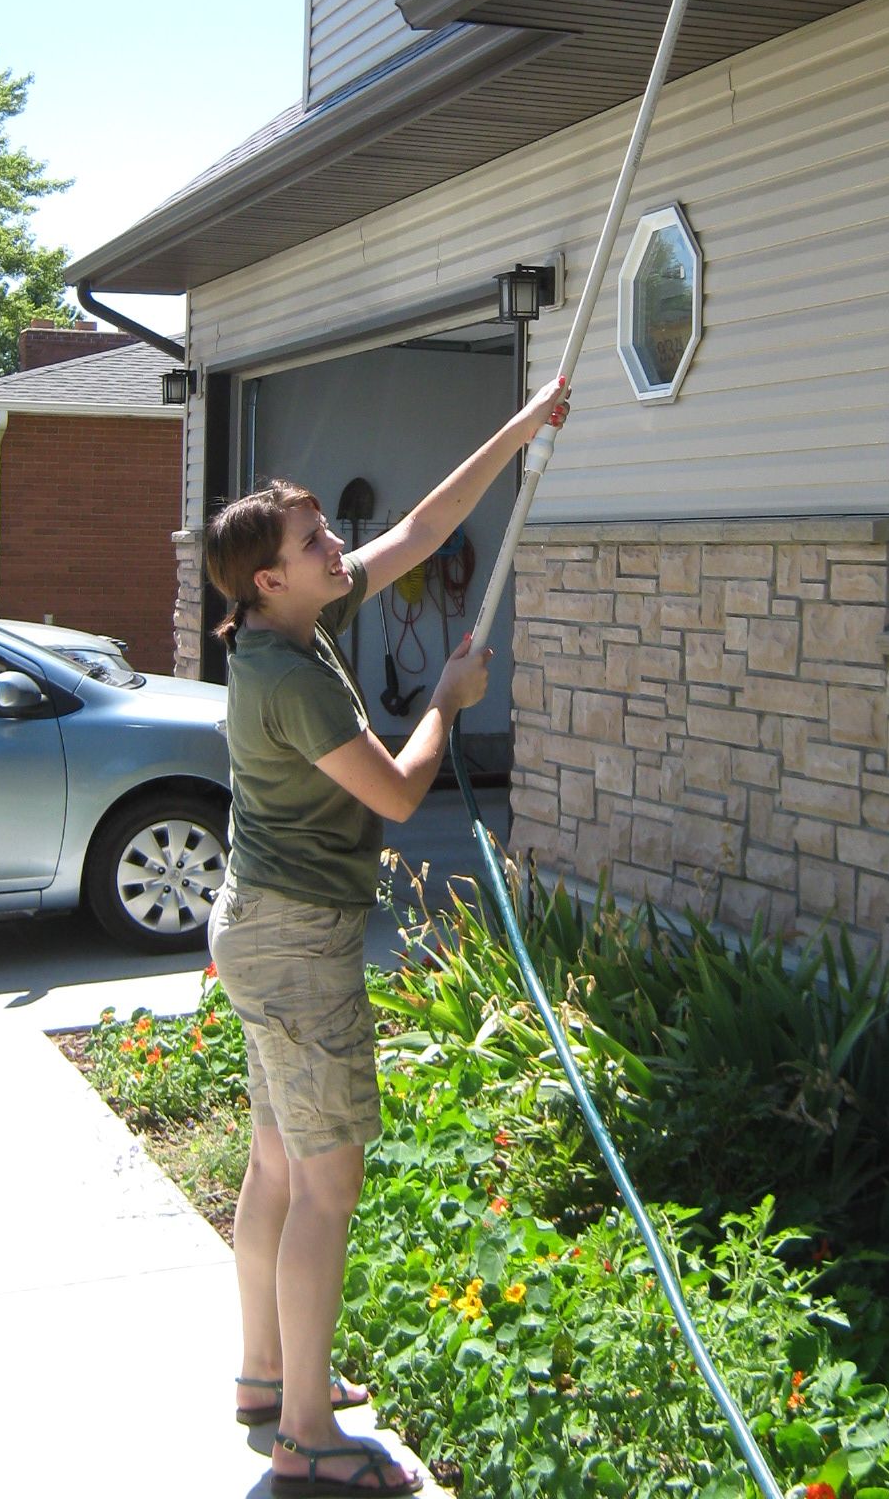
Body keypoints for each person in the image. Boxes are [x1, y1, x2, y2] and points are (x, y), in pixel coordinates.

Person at [204, 376, 569, 1497]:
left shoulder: (295, 624)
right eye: (318, 540)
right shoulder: (288, 681)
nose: (338, 546)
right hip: (296, 941)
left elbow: (422, 528)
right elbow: (402, 795)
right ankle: (309, 1437)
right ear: (270, 576)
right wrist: (450, 700)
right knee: (327, 1183)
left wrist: (520, 423)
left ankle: (267, 1378)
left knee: (277, 1162)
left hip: (264, 928)